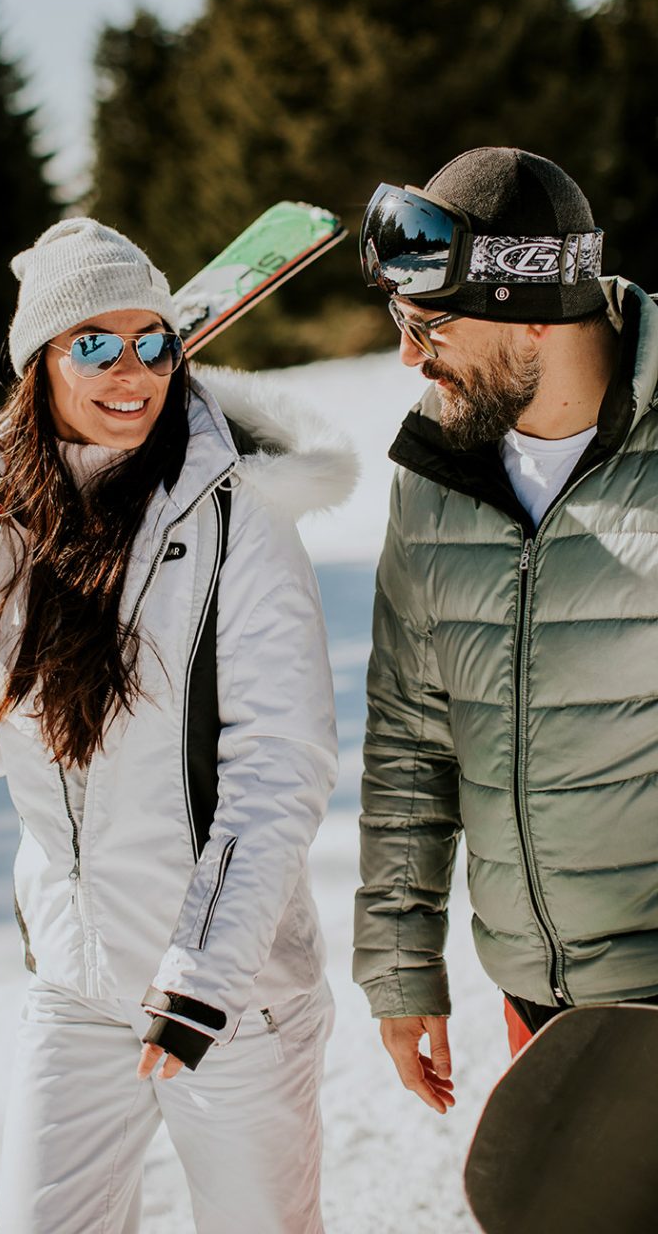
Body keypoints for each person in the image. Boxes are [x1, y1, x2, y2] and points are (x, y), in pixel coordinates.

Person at [0, 219, 356, 1232]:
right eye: (93, 345)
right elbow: (2, 734)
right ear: (37, 365)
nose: (131, 373)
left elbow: (277, 771)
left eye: (152, 342)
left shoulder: (235, 523)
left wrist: (199, 984)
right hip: (76, 992)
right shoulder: (13, 530)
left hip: (232, 1001)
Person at [353, 146, 658, 1115]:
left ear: (534, 313)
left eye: (430, 324)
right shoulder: (438, 472)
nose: (407, 354)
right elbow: (411, 729)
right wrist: (399, 961)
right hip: (542, 1000)